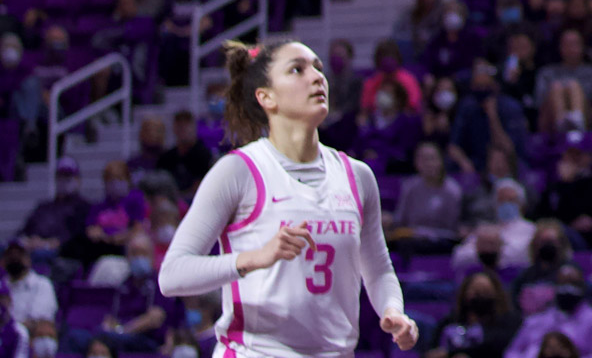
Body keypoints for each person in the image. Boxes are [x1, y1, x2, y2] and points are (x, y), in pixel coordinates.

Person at [157, 39, 417, 357]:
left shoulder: (357, 176)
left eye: (318, 68)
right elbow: (172, 276)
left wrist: (393, 310)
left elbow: (377, 268)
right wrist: (255, 257)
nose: (317, 77)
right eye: (298, 69)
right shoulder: (239, 170)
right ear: (266, 97)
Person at [504, 265, 592, 358]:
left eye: (573, 284)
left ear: (583, 287)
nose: (567, 289)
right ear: (555, 287)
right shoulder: (534, 321)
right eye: (562, 284)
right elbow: (511, 353)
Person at [429, 270, 521, 358]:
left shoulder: (508, 322)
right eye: (476, 292)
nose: (480, 296)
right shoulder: (449, 321)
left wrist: (453, 353)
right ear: (465, 293)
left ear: (496, 295)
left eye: (485, 292)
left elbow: (494, 347)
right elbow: (433, 349)